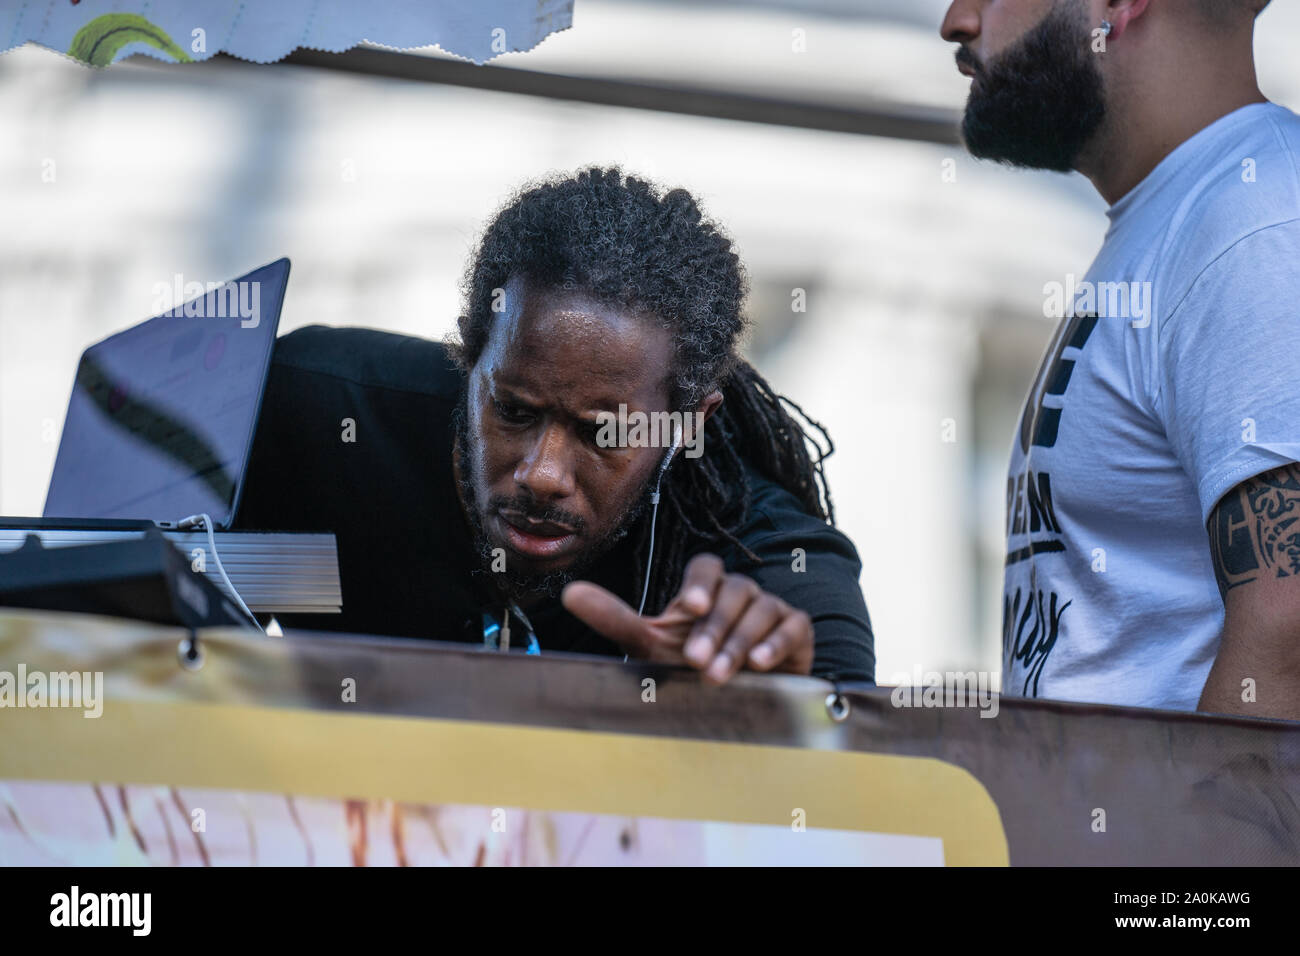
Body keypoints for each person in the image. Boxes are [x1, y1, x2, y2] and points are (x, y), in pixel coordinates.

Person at [235, 168, 875, 685]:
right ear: (469, 357)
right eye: (513, 411)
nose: (542, 474)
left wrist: (770, 710)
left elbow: (856, 775)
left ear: (687, 424)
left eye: (603, 434)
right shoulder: (315, 415)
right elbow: (160, 604)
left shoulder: (756, 553)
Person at [940, 0, 1300, 717]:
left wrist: (1188, 834)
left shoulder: (1257, 225)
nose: (956, 19)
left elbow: (1289, 637)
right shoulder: (1191, 214)